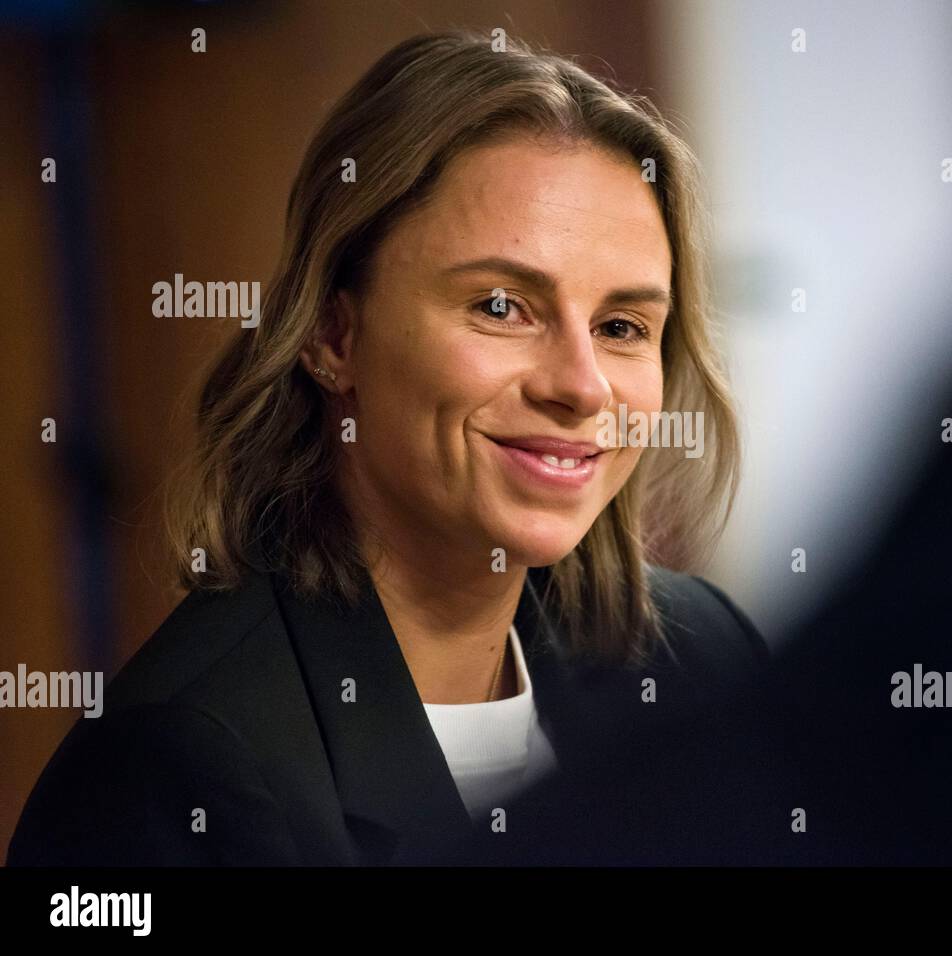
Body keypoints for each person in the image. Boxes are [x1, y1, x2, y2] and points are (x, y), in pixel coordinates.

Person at [7, 29, 767, 866]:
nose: (583, 387)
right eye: (502, 307)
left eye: (623, 327)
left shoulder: (704, 660)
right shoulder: (172, 773)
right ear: (332, 333)